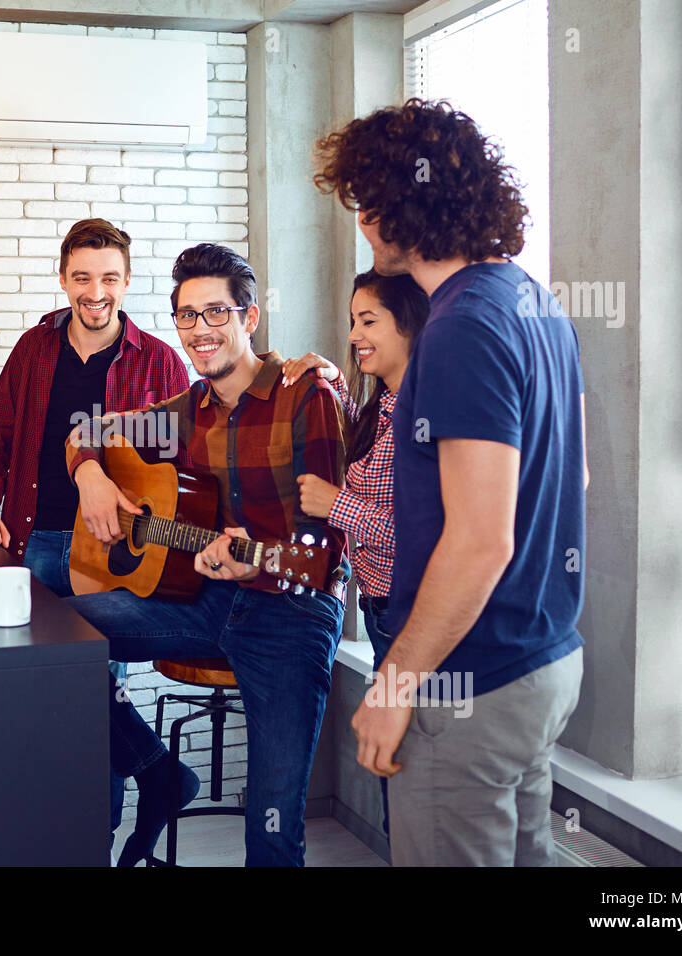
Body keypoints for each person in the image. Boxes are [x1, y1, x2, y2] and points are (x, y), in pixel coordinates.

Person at [316, 98, 588, 866]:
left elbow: (478, 541)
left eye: (366, 205)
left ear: (391, 209)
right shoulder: (537, 303)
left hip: (471, 679)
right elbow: (577, 476)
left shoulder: (459, 326)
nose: (363, 224)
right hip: (545, 661)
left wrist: (394, 685)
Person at [65, 243, 349, 867]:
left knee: (272, 825)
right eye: (188, 316)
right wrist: (91, 476)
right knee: (56, 643)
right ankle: (157, 770)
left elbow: (324, 549)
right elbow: (87, 431)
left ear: (249, 319)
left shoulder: (307, 396)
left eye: (216, 313)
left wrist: (259, 561)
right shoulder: (184, 414)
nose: (200, 330)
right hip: (208, 601)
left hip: (291, 611)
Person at [0, 218, 192, 861]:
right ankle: (156, 774)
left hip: (113, 549)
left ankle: (97, 838)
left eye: (110, 278)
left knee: (97, 692)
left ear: (127, 281)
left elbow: (183, 466)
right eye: (83, 277)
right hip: (33, 540)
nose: (96, 291)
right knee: (45, 689)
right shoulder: (34, 351)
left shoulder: (160, 361)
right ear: (64, 279)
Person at [282, 269, 429, 839]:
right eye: (351, 322)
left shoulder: (421, 415)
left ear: (410, 324)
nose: (354, 334)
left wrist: (333, 503)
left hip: (407, 613)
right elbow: (369, 455)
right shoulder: (388, 404)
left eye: (368, 321)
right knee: (398, 772)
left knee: (408, 775)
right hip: (381, 608)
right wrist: (336, 382)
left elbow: (417, 537)